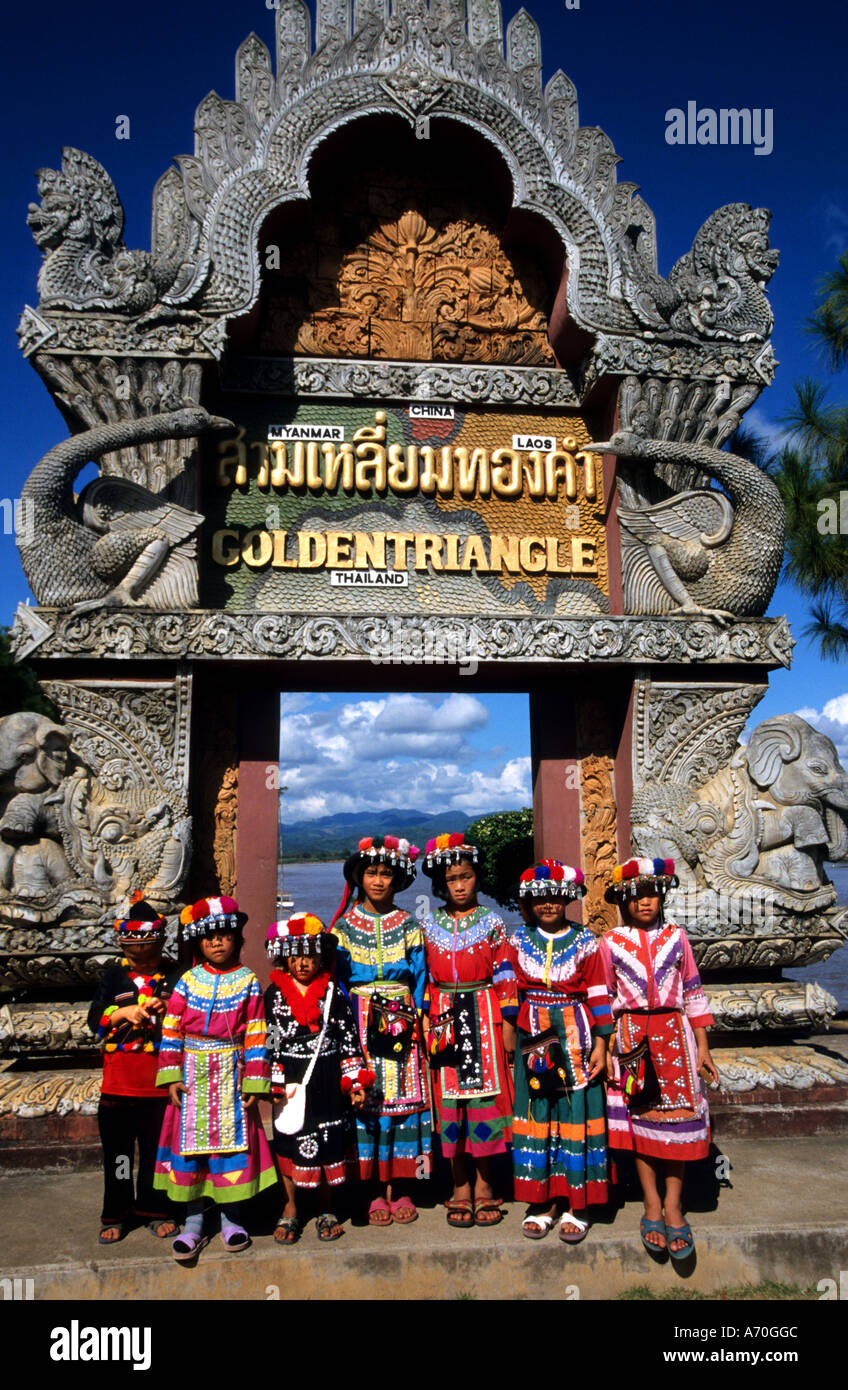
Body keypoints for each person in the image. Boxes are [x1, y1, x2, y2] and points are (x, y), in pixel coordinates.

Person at [599, 858, 719, 1260]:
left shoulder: (677, 937)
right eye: (635, 896)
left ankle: (673, 1204)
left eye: (651, 894)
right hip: (632, 1038)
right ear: (622, 901)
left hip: (675, 1035)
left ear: (661, 896)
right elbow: (603, 998)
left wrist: (703, 1047)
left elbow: (693, 992)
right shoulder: (611, 943)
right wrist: (606, 1045)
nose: (644, 902)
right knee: (642, 1120)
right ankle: (651, 1202)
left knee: (678, 1121)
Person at [153, 895, 278, 1261]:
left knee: (230, 1148)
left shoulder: (248, 982)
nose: (216, 942)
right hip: (192, 1076)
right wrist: (172, 1076)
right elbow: (171, 1030)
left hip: (230, 1072)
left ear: (236, 938)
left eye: (223, 935)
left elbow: (257, 1032)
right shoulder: (187, 981)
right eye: (208, 938)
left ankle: (231, 1219)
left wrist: (254, 1081)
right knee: (193, 1151)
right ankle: (192, 1224)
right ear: (199, 943)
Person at [503, 860, 613, 1243]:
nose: (548, 904)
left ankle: (577, 1203)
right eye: (540, 898)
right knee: (539, 1110)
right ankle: (542, 1201)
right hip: (532, 1035)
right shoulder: (517, 941)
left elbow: (599, 993)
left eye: (556, 897)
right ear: (530, 902)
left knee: (573, 1110)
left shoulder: (586, 942)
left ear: (568, 897)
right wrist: (507, 1034)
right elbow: (509, 991)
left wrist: (602, 1042)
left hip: (575, 1036)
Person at [331, 835, 431, 1226]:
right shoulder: (343, 927)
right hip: (359, 1016)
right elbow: (338, 980)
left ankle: (405, 1184)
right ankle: (372, 1189)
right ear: (359, 877)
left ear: (398, 878)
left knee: (405, 1101)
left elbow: (421, 976)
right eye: (370, 873)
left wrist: (419, 1014)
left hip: (403, 1017)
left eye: (386, 873)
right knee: (367, 1099)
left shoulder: (408, 924)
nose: (377, 880)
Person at [420, 833, 516, 1229]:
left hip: (483, 1015)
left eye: (466, 877)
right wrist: (426, 1018)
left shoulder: (493, 923)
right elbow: (423, 979)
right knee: (451, 1105)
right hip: (443, 1018)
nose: (459, 886)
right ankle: (458, 1185)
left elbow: (506, 976)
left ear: (477, 878)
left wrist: (508, 1028)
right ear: (441, 884)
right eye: (451, 879)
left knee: (483, 1102)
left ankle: (485, 1185)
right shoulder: (428, 925)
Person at [264, 913, 374, 1243]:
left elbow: (348, 1038)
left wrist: (355, 1082)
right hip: (291, 1080)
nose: (302, 963)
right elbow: (269, 1039)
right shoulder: (273, 994)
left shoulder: (332, 994)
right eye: (295, 955)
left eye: (310, 955)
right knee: (289, 1140)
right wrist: (272, 1078)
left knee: (327, 1141)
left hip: (326, 1076)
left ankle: (327, 1207)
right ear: (285, 957)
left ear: (320, 957)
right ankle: (290, 1208)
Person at [88, 893, 180, 1244]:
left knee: (158, 1155)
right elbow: (93, 1019)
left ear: (159, 944)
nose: (137, 954)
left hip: (160, 1084)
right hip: (118, 1084)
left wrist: (168, 1005)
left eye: (146, 947)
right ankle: (119, 1211)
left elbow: (192, 1012)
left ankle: (154, 1209)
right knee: (120, 1155)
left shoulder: (176, 975)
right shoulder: (113, 979)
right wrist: (121, 1013)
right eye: (130, 948)